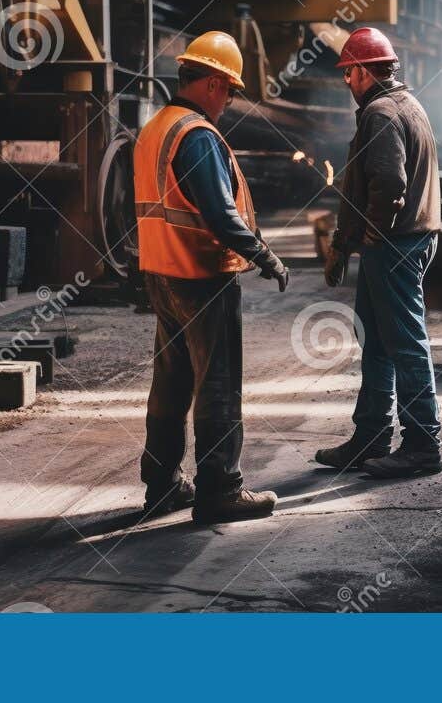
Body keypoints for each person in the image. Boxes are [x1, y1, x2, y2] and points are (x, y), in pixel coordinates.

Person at [133, 30, 289, 523]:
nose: (229, 103)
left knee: (172, 382)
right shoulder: (196, 135)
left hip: (162, 274)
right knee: (217, 382)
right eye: (231, 91)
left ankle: (161, 486)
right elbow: (221, 216)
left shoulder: (156, 126)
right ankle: (220, 489)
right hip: (201, 275)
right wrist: (265, 255)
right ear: (215, 84)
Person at [315, 27, 442, 479]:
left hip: (395, 245)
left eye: (349, 72)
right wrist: (344, 244)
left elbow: (388, 185)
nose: (346, 81)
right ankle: (370, 436)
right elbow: (369, 186)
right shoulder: (406, 105)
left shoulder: (382, 113)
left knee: (405, 342)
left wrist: (371, 238)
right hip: (399, 241)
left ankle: (423, 444)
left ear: (366, 70)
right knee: (375, 340)